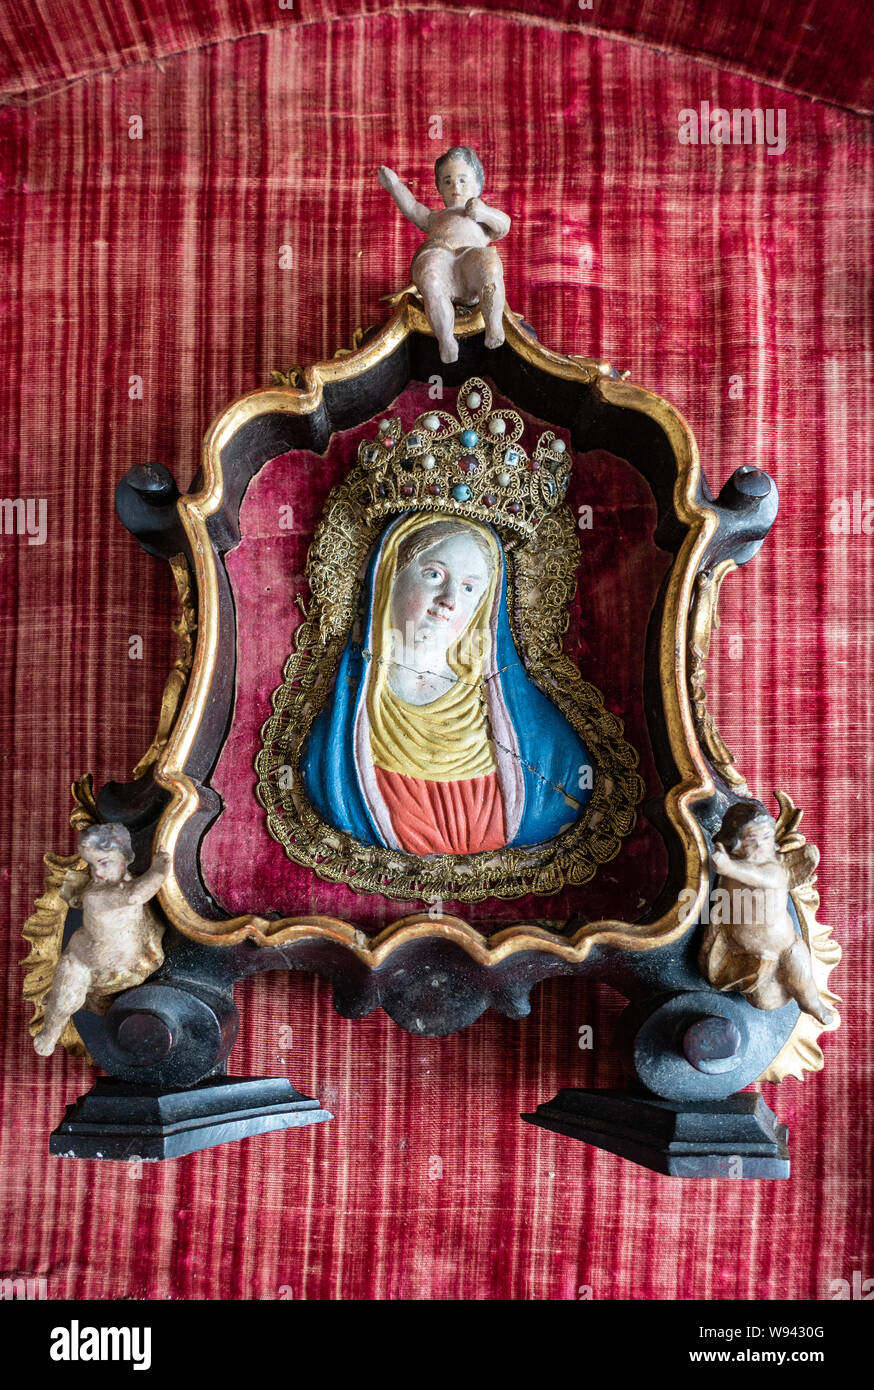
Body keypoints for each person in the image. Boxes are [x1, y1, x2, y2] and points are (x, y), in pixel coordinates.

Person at [301, 513, 591, 856]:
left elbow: (567, 795)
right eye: (434, 575)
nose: (449, 600)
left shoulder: (548, 752)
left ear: (484, 607)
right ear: (388, 577)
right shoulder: (336, 744)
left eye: (470, 588)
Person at [33, 824, 168, 1056]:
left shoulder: (125, 880)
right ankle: (50, 1033)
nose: (98, 873)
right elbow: (136, 895)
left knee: (68, 996)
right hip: (82, 959)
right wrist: (160, 869)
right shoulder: (98, 895)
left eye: (104, 862)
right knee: (66, 999)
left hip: (125, 963)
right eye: (92, 865)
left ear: (127, 856)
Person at [378, 146, 510, 363]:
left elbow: (503, 225)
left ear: (477, 184)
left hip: (471, 256)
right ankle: (446, 339)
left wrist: (484, 212)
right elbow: (411, 207)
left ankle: (494, 325)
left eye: (462, 180)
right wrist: (393, 185)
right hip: (440, 253)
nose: (455, 186)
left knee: (489, 264)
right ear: (439, 187)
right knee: (429, 275)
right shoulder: (434, 217)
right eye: (447, 181)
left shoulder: (479, 213)